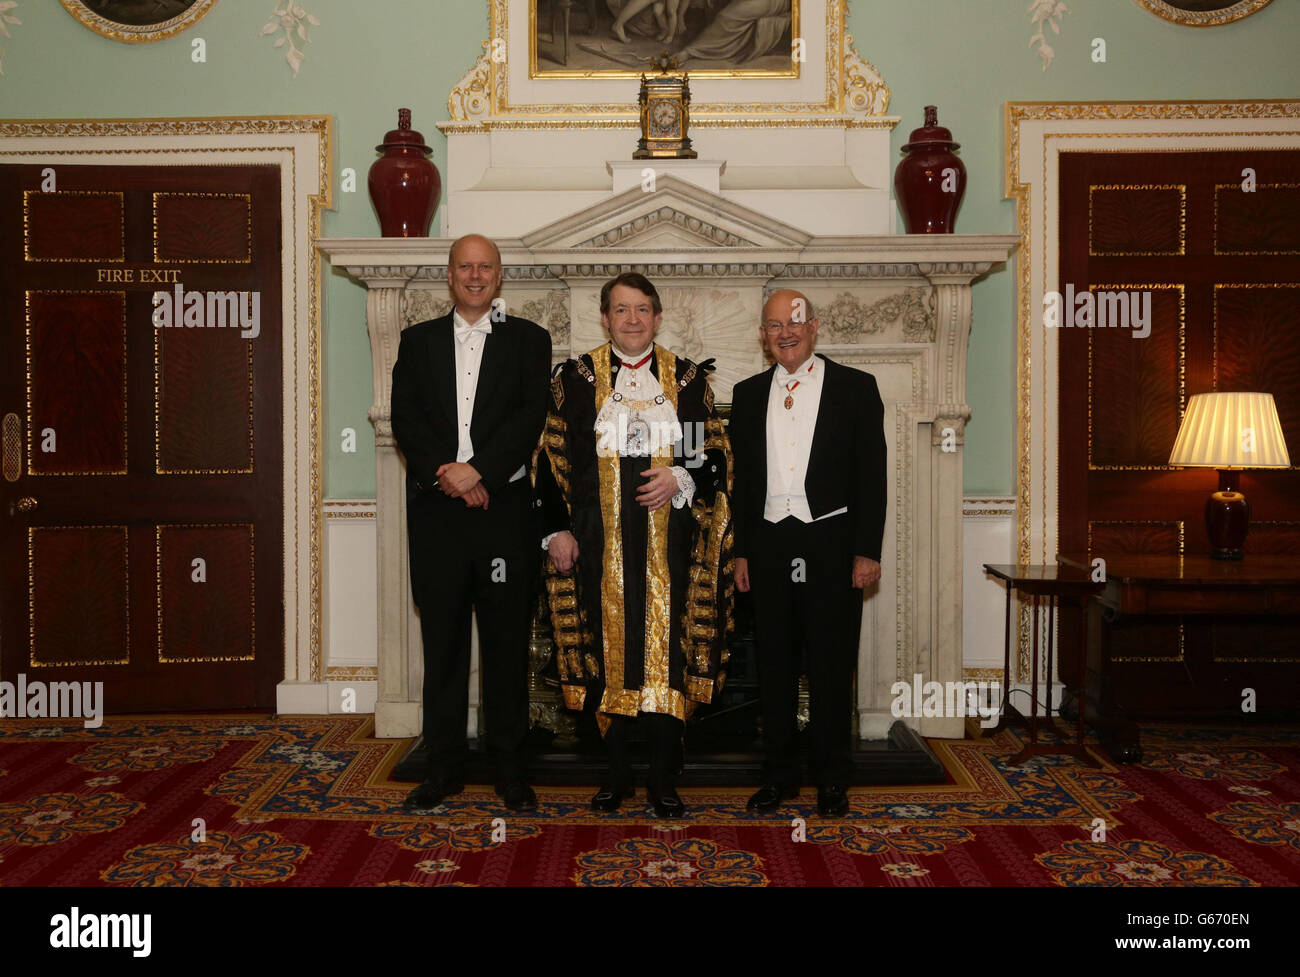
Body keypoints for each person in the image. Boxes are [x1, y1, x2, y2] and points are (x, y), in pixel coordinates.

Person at [535, 272, 732, 818]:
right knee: (605, 656)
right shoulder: (573, 380)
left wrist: (681, 479)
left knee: (668, 660)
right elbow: (548, 464)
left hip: (673, 551)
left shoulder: (688, 380)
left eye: (642, 309)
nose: (632, 320)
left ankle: (664, 780)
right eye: (621, 310)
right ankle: (615, 775)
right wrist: (558, 532)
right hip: (598, 550)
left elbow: (713, 456)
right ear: (605, 317)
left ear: (657, 316)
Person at [390, 234, 552, 813]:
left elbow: (529, 418)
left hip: (503, 515)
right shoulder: (417, 341)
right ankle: (443, 769)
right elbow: (405, 417)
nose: (476, 276)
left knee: (507, 646)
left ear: (499, 275)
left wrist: (479, 470)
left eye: (486, 267)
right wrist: (449, 476)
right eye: (466, 266)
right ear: (450, 274)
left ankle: (510, 770)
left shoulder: (530, 340)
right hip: (437, 515)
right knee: (445, 644)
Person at [729, 289, 886, 818]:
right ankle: (777, 776)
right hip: (769, 544)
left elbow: (873, 477)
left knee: (830, 666)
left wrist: (866, 552)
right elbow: (743, 485)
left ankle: (831, 779)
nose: (785, 333)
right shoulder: (747, 394)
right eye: (773, 325)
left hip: (832, 543)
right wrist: (741, 553)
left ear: (814, 327)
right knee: (773, 666)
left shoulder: (856, 388)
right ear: (764, 334)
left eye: (794, 323)